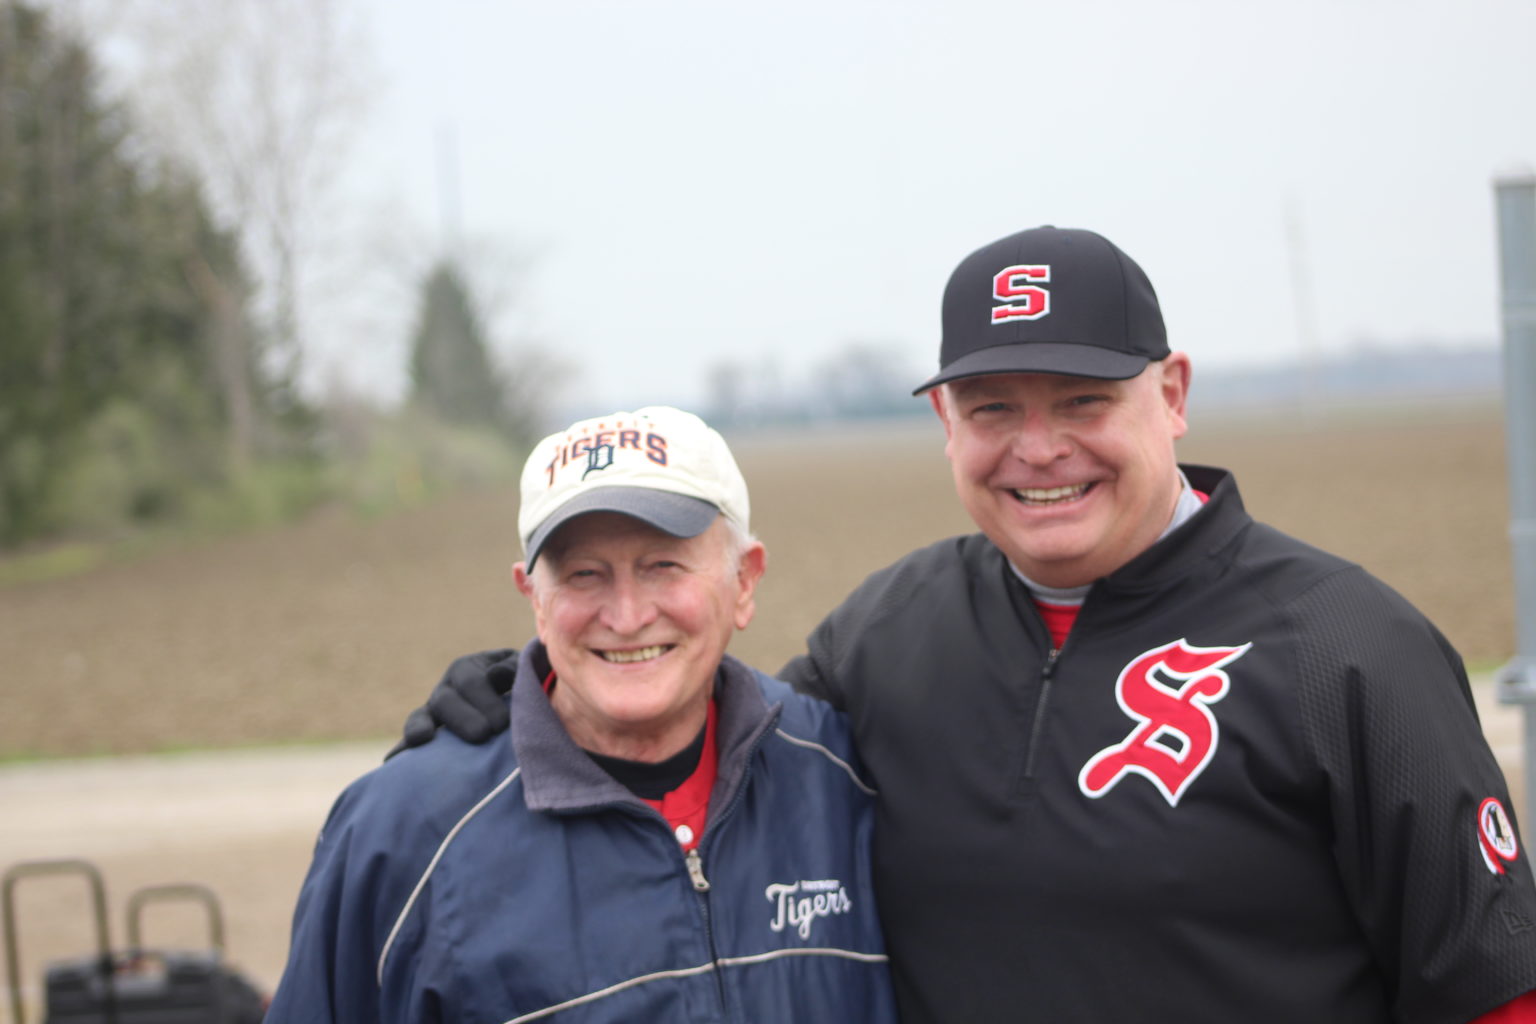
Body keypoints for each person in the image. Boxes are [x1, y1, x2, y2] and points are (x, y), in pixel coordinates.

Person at [396, 227, 1536, 1023]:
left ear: (1173, 393)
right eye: (994, 409)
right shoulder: (887, 637)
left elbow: (1494, 992)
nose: (1038, 450)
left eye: (1084, 402)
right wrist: (540, 689)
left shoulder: (1350, 650)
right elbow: (711, 755)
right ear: (946, 417)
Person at [267, 406, 896, 1022]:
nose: (626, 616)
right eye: (583, 574)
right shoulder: (400, 835)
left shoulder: (848, 779)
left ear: (745, 580)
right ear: (534, 598)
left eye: (663, 566)